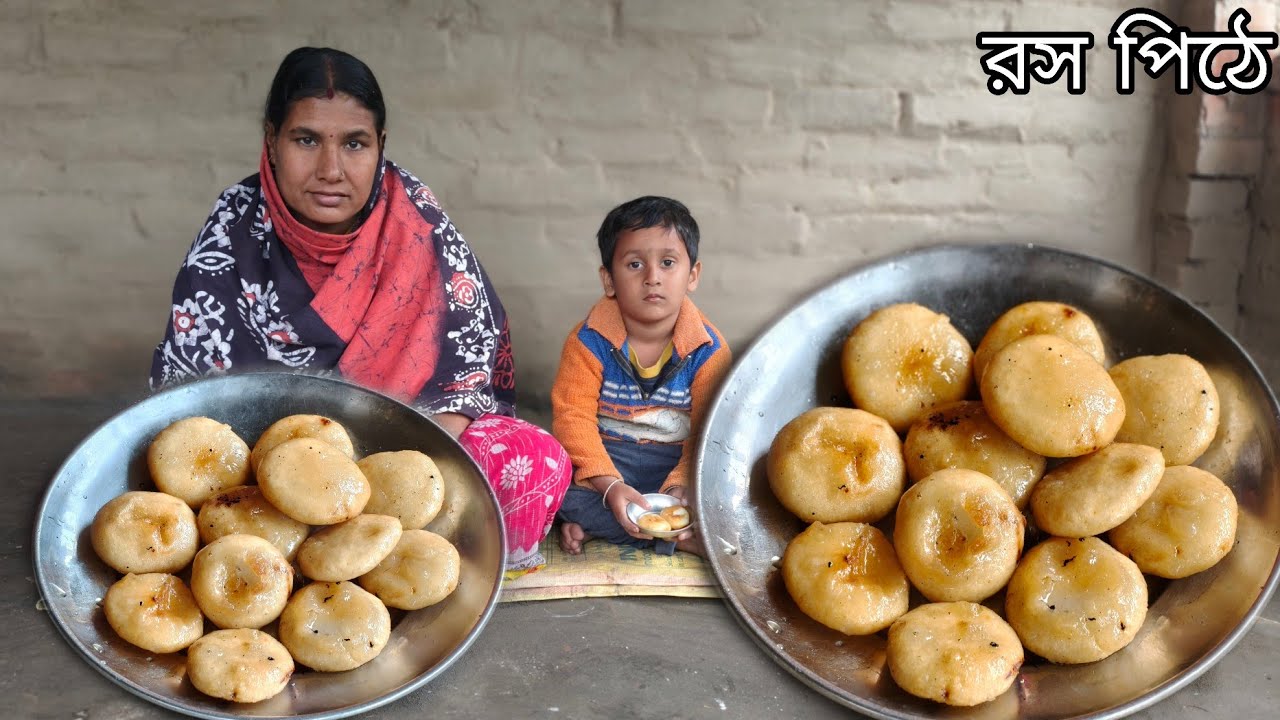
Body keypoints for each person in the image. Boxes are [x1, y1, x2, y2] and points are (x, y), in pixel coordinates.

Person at [149, 47, 570, 574]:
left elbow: (464, 374)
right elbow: (192, 404)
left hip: (405, 453)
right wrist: (298, 485)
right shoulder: (233, 230)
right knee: (169, 498)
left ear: (380, 145)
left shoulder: (418, 225)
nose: (331, 170)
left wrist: (388, 485)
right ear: (271, 141)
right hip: (260, 470)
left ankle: (397, 561)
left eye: (354, 143)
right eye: (306, 140)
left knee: (531, 457)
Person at [551, 196, 731, 557]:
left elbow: (710, 432)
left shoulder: (708, 350)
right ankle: (675, 539)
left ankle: (614, 528)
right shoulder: (588, 342)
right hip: (608, 464)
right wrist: (609, 486)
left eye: (668, 263)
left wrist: (682, 484)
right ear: (609, 280)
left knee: (729, 495)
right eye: (635, 264)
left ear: (692, 275)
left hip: (674, 465)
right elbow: (573, 419)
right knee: (554, 491)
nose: (652, 278)